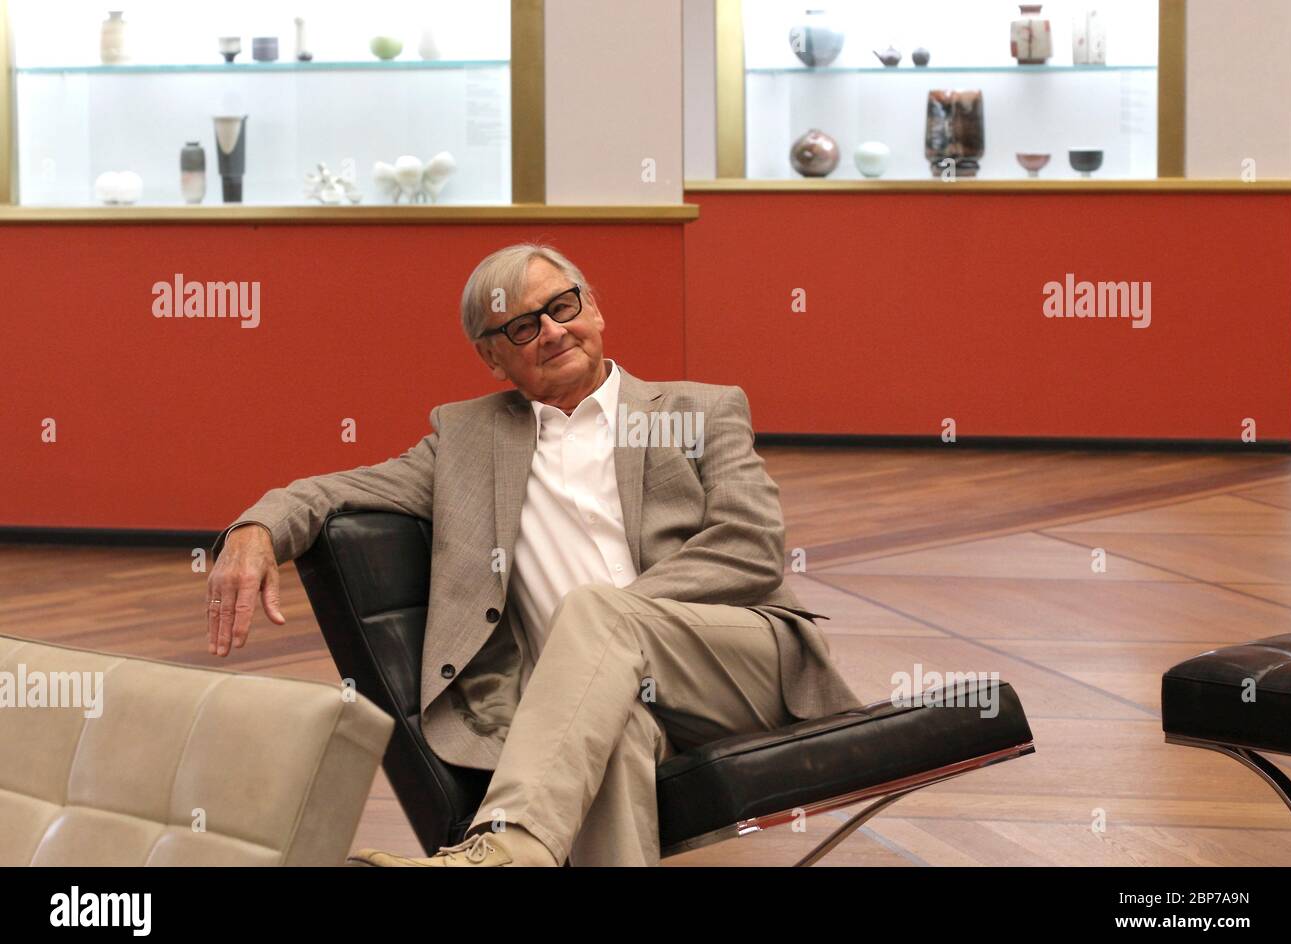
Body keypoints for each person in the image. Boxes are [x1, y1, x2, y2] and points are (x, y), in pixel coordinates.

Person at [206, 242, 861, 866]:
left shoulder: (702, 409)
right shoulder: (463, 443)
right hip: (596, 697)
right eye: (521, 327)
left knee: (598, 614)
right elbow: (325, 493)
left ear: (594, 309)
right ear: (493, 359)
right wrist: (254, 530)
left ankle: (509, 844)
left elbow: (749, 550)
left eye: (563, 307)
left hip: (737, 667)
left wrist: (607, 627)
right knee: (617, 732)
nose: (551, 332)